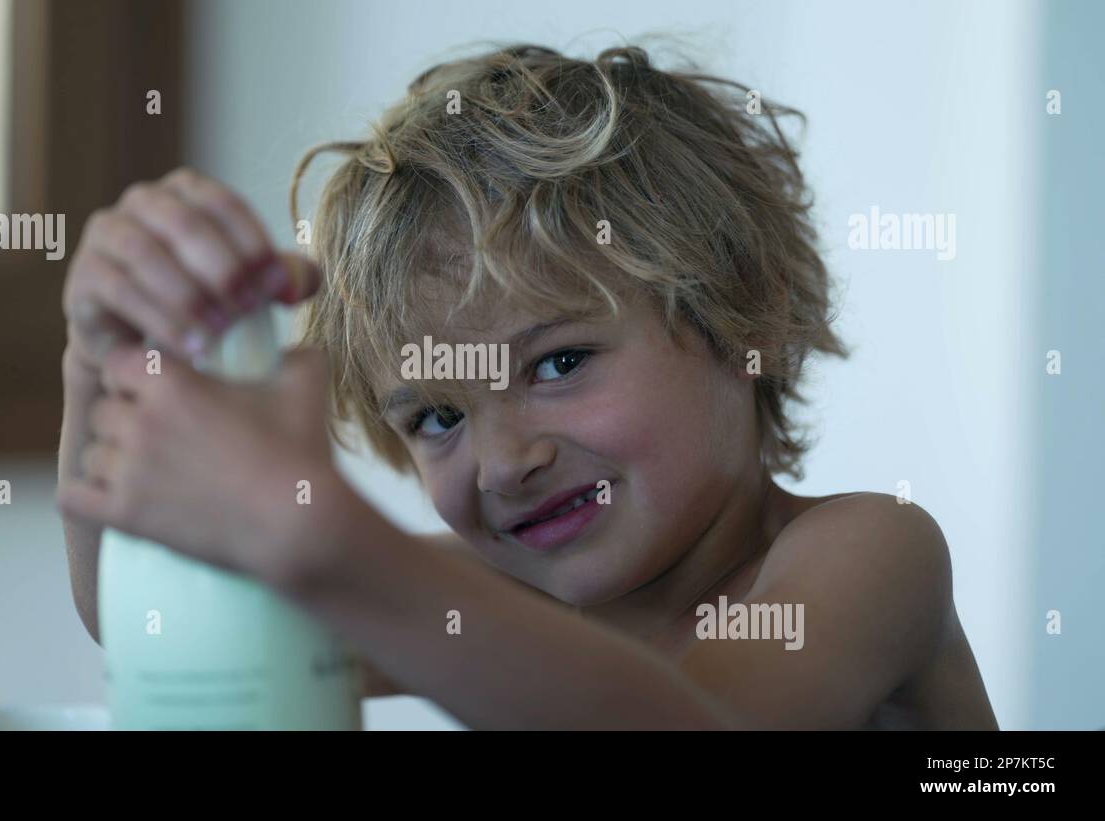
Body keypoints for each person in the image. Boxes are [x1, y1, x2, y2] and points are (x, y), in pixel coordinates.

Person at [56, 42, 997, 729]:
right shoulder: (494, 591)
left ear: (744, 315)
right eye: (436, 415)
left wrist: (329, 546)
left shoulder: (869, 552)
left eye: (558, 363)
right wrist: (103, 360)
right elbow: (144, 623)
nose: (506, 461)